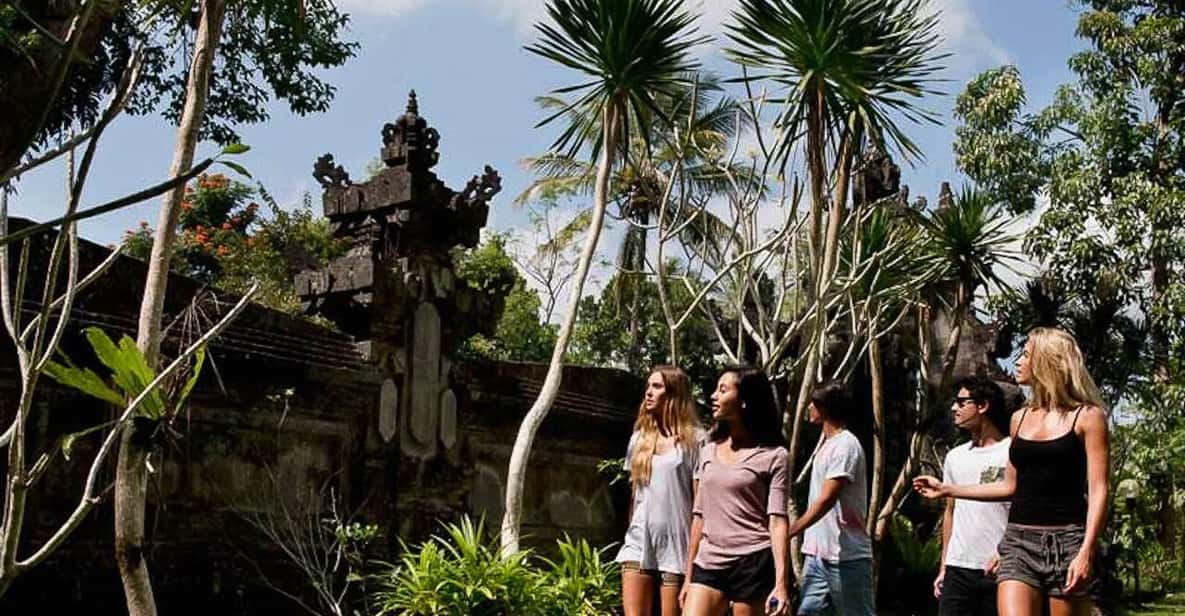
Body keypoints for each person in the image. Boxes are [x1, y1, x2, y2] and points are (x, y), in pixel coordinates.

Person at [914, 327, 1110, 616]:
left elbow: (1099, 490)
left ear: (1047, 361)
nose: (1017, 361)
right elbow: (1009, 486)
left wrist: (1086, 551)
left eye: (1026, 355)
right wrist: (948, 489)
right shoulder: (1020, 419)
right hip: (1018, 542)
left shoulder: (1088, 417)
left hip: (1066, 542)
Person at [681, 367, 790, 616]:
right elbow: (699, 515)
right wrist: (688, 576)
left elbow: (777, 520)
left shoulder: (775, 456)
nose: (713, 396)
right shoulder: (708, 451)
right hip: (709, 560)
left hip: (753, 562)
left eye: (723, 390)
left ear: (744, 401)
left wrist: (781, 584)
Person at [616, 365, 704, 616]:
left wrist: (696, 553)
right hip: (639, 539)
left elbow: (700, 502)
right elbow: (635, 494)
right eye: (648, 386)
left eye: (657, 386)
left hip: (677, 543)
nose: (649, 392)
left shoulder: (696, 440)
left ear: (674, 393)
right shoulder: (639, 439)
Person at [786, 381, 875, 616]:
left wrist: (790, 531)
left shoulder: (846, 446)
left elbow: (826, 500)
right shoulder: (827, 445)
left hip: (845, 557)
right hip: (817, 555)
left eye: (812, 404)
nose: (808, 409)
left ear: (823, 409)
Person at [933, 377, 1012, 616]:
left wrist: (1005, 551)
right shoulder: (955, 457)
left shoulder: (1011, 451)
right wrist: (944, 565)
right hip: (958, 568)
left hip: (999, 569)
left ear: (983, 406)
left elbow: (1023, 509)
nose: (954, 408)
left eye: (961, 402)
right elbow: (951, 511)